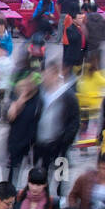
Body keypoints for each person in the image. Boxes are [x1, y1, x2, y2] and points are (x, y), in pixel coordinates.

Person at [32, 62, 80, 195]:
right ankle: (44, 198)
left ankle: (61, 198)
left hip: (61, 146)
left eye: (46, 74)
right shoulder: (41, 94)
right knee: (43, 173)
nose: (44, 78)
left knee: (61, 174)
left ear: (54, 74)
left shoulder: (67, 95)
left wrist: (65, 140)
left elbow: (75, 121)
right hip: (42, 144)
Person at [5, 73, 41, 186]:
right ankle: (12, 191)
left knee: (22, 171)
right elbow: (10, 117)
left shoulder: (37, 101)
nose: (26, 87)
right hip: (15, 140)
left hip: (28, 142)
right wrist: (20, 99)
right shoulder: (18, 99)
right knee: (13, 170)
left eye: (29, 85)